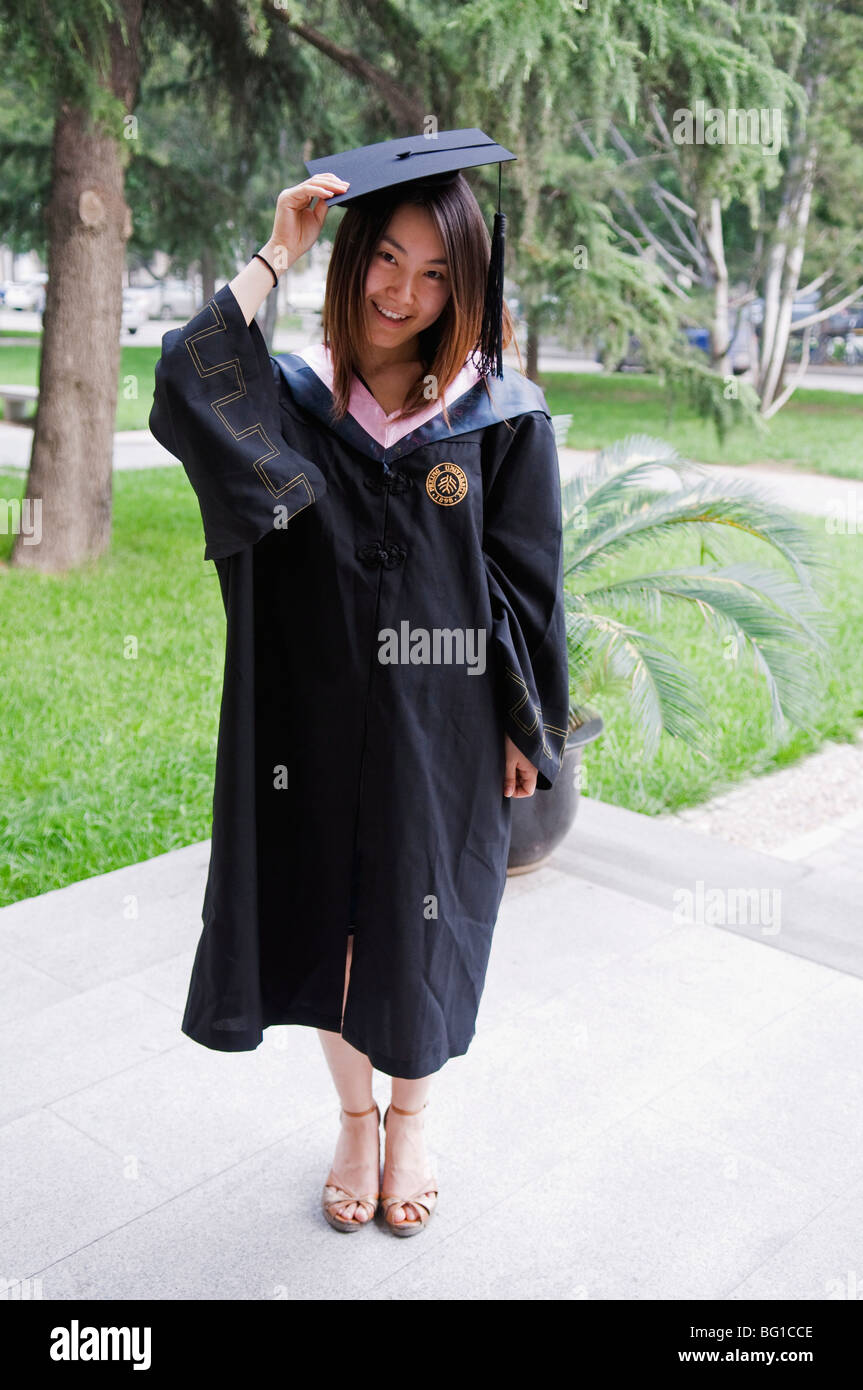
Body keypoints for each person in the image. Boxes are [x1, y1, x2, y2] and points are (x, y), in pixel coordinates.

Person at [148, 131, 570, 1236]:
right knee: (334, 918)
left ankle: (412, 1116)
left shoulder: (498, 415)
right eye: (385, 258)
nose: (404, 292)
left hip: (444, 717)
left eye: (437, 274)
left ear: (466, 289)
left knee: (420, 918)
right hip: (317, 706)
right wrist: (276, 251)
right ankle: (351, 1120)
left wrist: (526, 723)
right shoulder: (293, 399)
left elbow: (525, 581)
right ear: (354, 255)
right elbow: (185, 376)